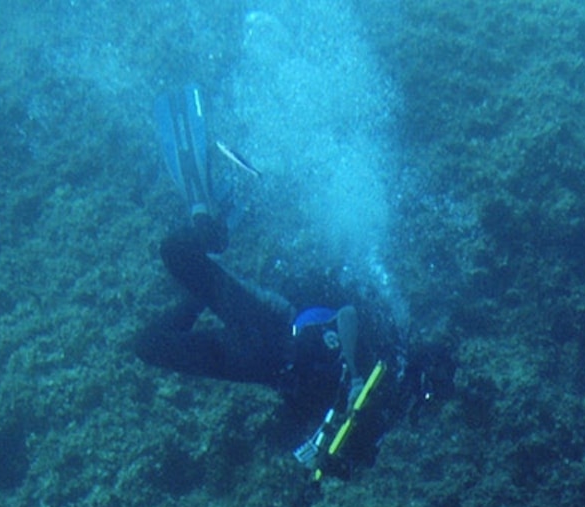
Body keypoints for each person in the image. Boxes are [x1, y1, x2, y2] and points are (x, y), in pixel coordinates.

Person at [132, 87, 410, 479]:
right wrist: (353, 374)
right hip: (272, 321)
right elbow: (345, 314)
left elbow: (285, 435)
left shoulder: (357, 427)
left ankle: (205, 269)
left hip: (257, 364)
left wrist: (314, 459)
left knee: (147, 345)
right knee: (174, 253)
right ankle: (210, 235)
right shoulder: (372, 360)